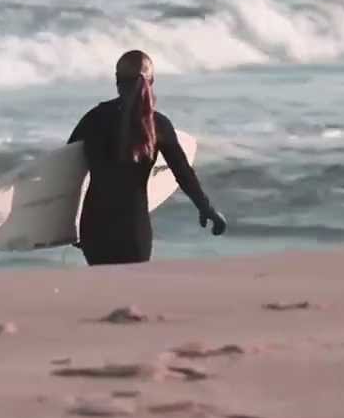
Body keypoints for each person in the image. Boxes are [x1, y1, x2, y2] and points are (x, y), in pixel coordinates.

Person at [67, 50, 226, 266]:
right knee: (130, 292)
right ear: (151, 82)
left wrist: (69, 227)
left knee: (102, 294)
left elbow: (67, 172)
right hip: (133, 228)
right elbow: (183, 173)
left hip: (95, 227)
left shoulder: (94, 118)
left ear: (117, 81)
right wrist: (206, 209)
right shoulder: (158, 125)